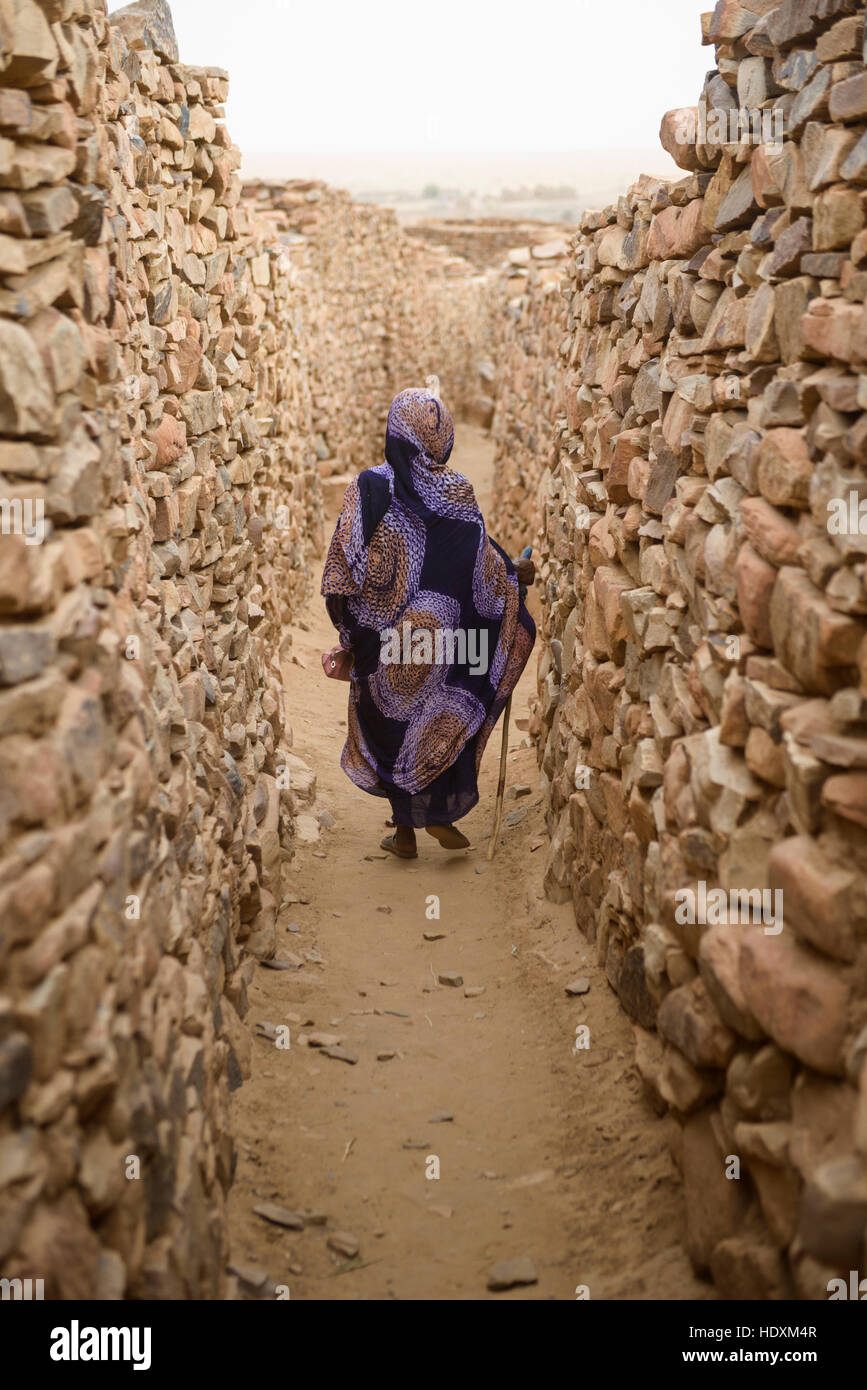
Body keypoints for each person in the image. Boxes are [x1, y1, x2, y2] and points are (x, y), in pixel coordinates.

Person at [321, 384, 536, 859]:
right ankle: (433, 814)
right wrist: (513, 582)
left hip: (384, 647)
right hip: (444, 647)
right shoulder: (457, 494)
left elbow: (342, 568)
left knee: (391, 721)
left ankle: (405, 830)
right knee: (438, 714)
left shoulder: (370, 486)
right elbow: (483, 568)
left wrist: (353, 630)